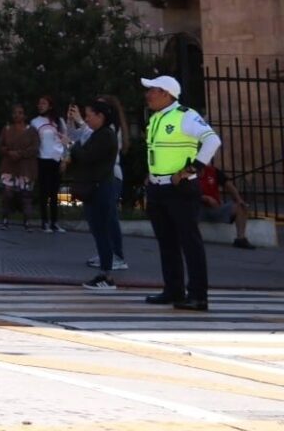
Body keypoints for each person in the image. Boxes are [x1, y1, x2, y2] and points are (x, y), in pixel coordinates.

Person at [140, 75, 222, 311]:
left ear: (166, 93)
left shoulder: (185, 115)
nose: (148, 94)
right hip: (157, 187)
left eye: (152, 90)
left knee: (189, 242)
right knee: (167, 242)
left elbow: (212, 141)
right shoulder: (157, 117)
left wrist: (191, 169)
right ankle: (173, 290)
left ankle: (198, 295)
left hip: (179, 189)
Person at [66, 97, 123, 291]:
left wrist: (71, 145)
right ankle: (104, 273)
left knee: (102, 232)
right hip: (96, 188)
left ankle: (106, 275)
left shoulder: (105, 135)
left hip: (100, 189)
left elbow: (86, 156)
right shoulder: (101, 134)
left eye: (89, 115)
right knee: (99, 232)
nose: (87, 119)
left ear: (100, 116)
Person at [30, 95, 69, 232]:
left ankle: (54, 222)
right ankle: (44, 222)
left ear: (50, 106)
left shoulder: (59, 121)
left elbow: (65, 142)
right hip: (42, 159)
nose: (40, 105)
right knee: (44, 192)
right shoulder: (35, 122)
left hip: (56, 160)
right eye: (39, 103)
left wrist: (65, 159)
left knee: (54, 193)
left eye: (44, 103)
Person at [0, 105, 37, 230]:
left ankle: (27, 222)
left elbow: (34, 147)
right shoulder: (7, 129)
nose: (17, 115)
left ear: (25, 115)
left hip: (25, 167)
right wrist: (9, 152)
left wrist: (20, 154)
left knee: (26, 195)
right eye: (15, 113)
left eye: (20, 113)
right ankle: (5, 220)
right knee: (7, 194)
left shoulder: (31, 130)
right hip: (9, 167)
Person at [198, 164, 255, 250]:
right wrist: (205, 198)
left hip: (215, 208)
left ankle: (240, 239)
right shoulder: (188, 173)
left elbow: (229, 185)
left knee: (240, 206)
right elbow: (184, 193)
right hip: (197, 209)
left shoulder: (213, 171)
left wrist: (239, 199)